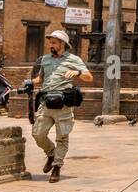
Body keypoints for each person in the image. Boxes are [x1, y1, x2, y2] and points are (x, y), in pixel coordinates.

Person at [29, 29, 92, 183]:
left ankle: (57, 166)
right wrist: (30, 83)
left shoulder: (73, 59)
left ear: (62, 44)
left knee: (62, 138)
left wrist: (76, 73)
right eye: (50, 42)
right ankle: (51, 154)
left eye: (54, 42)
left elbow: (89, 77)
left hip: (63, 103)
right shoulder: (44, 59)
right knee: (37, 133)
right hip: (45, 102)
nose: (50, 45)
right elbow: (41, 78)